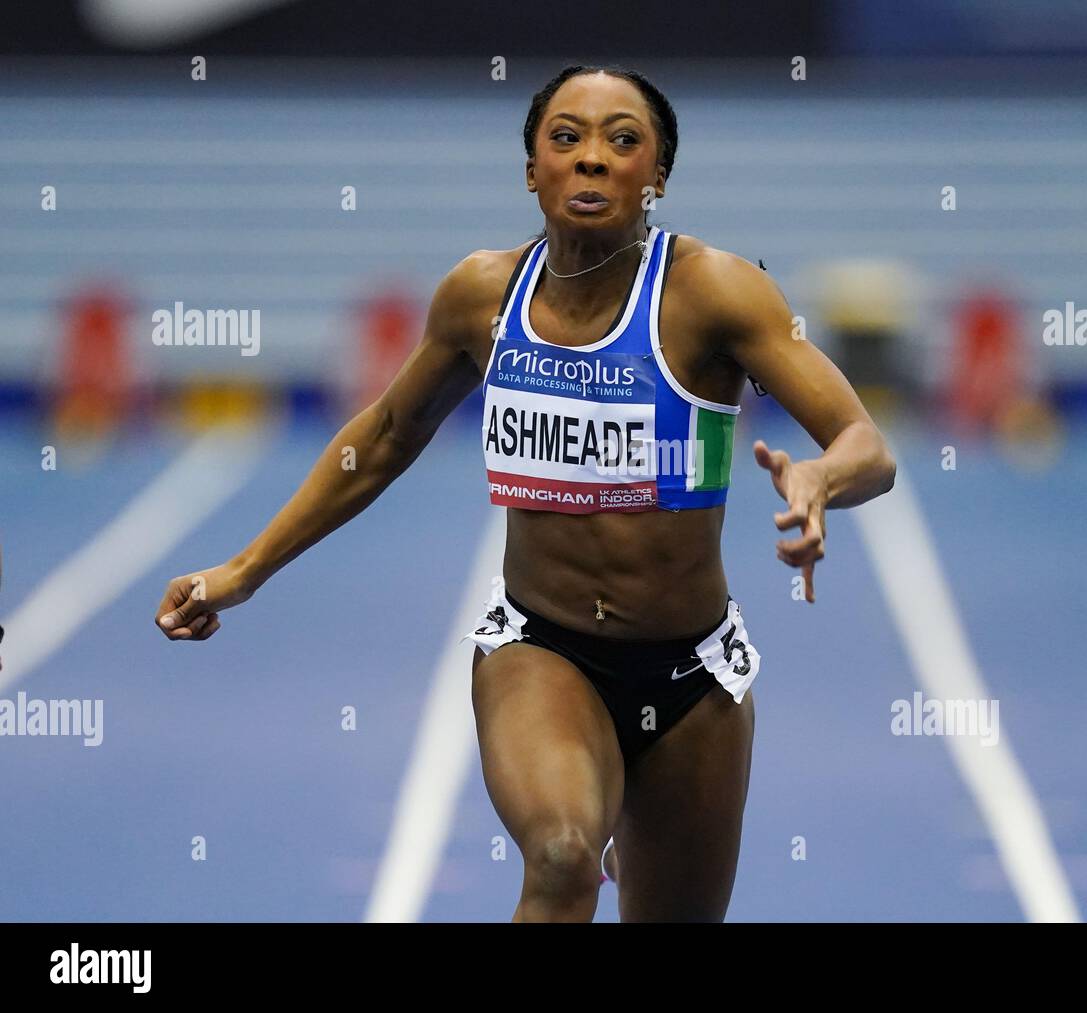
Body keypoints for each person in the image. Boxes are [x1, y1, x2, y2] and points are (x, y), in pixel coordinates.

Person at [155, 64, 896, 922]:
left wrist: (818, 478)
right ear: (531, 168)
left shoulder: (713, 293)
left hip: (695, 676)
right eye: (566, 137)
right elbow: (387, 434)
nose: (591, 159)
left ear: (656, 177)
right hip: (541, 650)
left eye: (623, 140)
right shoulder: (482, 296)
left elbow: (866, 445)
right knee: (560, 856)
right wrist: (245, 570)